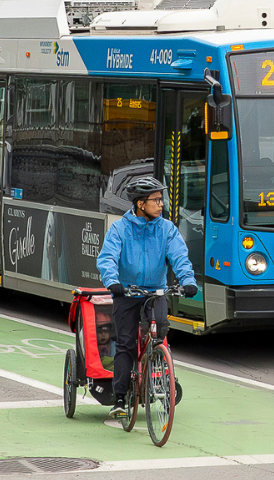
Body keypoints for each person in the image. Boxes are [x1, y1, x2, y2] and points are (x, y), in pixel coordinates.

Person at [96, 176, 198, 420]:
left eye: (161, 200)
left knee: (159, 334)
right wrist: (112, 282)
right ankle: (120, 397)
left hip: (156, 292)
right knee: (125, 345)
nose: (161, 204)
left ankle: (161, 369)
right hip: (127, 293)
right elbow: (107, 257)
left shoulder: (167, 229)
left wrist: (188, 281)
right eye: (156, 200)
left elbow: (180, 257)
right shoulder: (120, 229)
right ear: (140, 204)